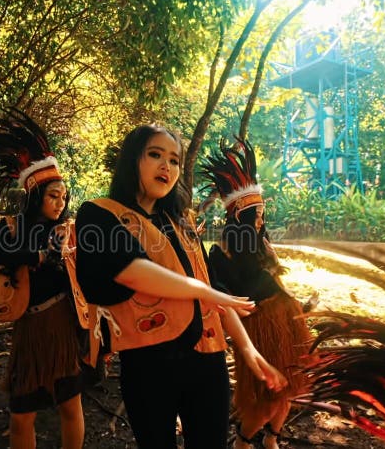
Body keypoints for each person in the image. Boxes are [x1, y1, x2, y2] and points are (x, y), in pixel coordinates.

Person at [72, 124, 286, 449]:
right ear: (133, 160)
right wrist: (203, 291)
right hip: (149, 365)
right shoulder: (100, 214)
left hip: (208, 362)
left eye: (174, 160)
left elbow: (213, 289)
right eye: (155, 155)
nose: (166, 167)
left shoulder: (182, 223)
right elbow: (131, 270)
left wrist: (247, 349)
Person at [0, 110, 85, 449]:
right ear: (36, 194)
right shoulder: (12, 228)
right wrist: (38, 256)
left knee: (71, 405)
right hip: (28, 328)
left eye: (64, 196)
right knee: (21, 415)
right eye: (54, 195)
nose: (62, 202)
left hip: (62, 327)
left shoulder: (68, 232)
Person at [202, 138, 313, 449]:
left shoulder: (258, 242)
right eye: (257, 214)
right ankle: (243, 441)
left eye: (263, 212)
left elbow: (271, 278)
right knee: (269, 397)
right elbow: (237, 292)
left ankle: (272, 440)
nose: (262, 219)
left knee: (288, 390)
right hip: (260, 325)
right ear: (239, 214)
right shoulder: (225, 251)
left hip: (285, 319)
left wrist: (298, 304)